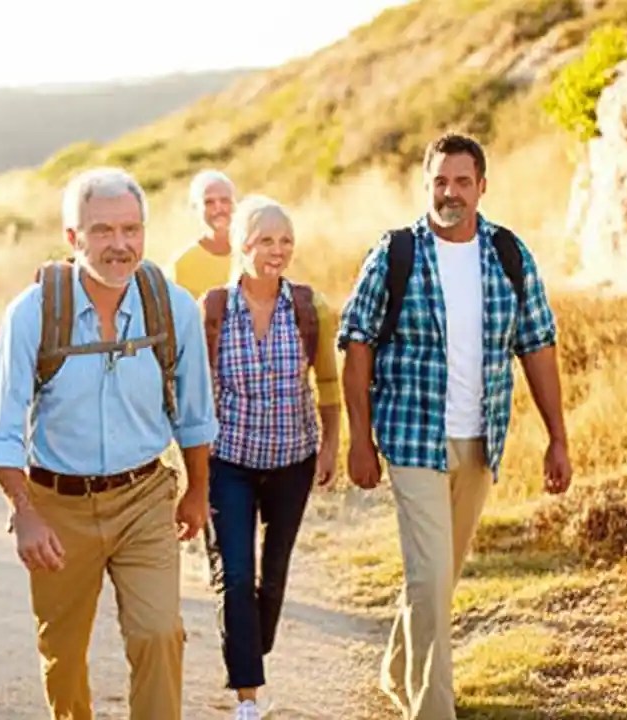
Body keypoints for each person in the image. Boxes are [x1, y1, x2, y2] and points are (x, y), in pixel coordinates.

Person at [337, 133, 573, 720]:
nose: (450, 193)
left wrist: (557, 437)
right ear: (427, 186)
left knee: (439, 577)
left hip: (480, 440)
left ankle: (397, 666)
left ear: (482, 187)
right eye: (440, 181)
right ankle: (431, 709)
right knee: (428, 575)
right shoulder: (396, 254)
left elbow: (538, 346)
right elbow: (356, 342)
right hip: (412, 436)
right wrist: (358, 439)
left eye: (462, 182)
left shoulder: (509, 255)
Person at [0, 166, 218, 720]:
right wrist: (25, 512)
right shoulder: (32, 313)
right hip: (57, 506)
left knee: (160, 633)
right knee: (62, 654)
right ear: (73, 238)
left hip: (145, 498)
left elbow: (196, 414)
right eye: (104, 231)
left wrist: (197, 490)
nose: (120, 245)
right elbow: (3, 426)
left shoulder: (173, 307)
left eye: (131, 229)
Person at [198, 195, 341, 720]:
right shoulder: (213, 310)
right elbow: (196, 393)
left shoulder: (309, 308)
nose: (276, 251)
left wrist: (330, 445)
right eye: (265, 240)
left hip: (292, 461)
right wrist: (192, 469)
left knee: (273, 575)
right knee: (235, 573)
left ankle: (248, 647)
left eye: (285, 241)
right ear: (242, 245)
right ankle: (248, 695)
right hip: (227, 461)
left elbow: (327, 382)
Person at [165, 169, 237, 298]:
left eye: (225, 200)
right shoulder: (182, 264)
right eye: (209, 202)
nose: (218, 208)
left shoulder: (253, 253)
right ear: (195, 208)